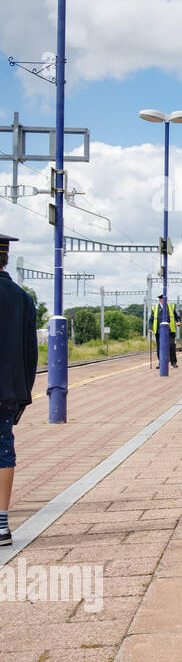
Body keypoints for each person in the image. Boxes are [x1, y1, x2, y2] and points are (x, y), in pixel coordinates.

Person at [0, 233, 38, 547]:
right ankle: (1, 525)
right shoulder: (23, 298)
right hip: (8, 390)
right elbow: (30, 352)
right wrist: (24, 393)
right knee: (4, 452)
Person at [150, 294, 178, 368]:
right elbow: (151, 320)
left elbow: (177, 316)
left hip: (170, 330)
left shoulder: (171, 307)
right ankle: (161, 362)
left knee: (171, 345)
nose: (166, 300)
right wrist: (150, 328)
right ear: (160, 300)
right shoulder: (155, 308)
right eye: (164, 299)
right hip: (158, 331)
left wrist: (178, 321)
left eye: (166, 299)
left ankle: (173, 362)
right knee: (160, 347)